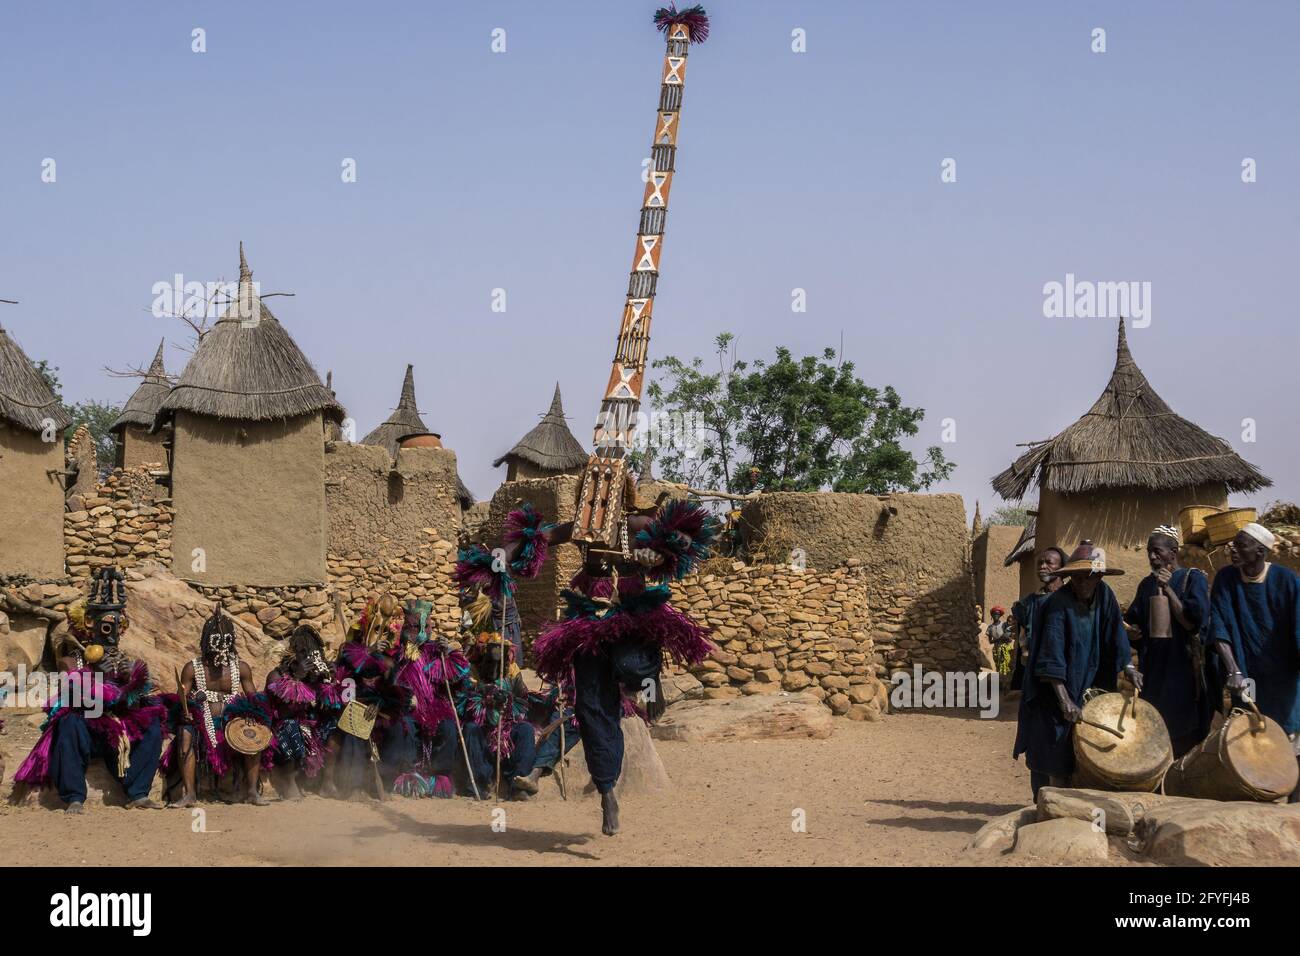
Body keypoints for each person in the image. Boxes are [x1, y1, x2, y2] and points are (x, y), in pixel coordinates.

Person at [507, 479, 717, 835]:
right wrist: (503, 556)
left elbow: (684, 541)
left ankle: (649, 684)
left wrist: (662, 551)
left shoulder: (636, 525)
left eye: (607, 494)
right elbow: (536, 538)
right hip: (588, 624)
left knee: (633, 665)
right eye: (593, 494)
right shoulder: (580, 529)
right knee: (591, 710)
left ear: (621, 496)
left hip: (630, 621)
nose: (599, 499)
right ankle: (607, 793)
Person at [10, 567, 165, 812]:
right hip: (88, 728)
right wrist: (100, 673)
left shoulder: (127, 661)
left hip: (120, 728)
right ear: (91, 625)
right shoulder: (71, 662)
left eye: (116, 625)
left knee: (154, 724)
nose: (110, 631)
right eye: (105, 625)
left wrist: (131, 677)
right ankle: (74, 797)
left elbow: (142, 697)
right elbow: (78, 697)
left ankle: (137, 793)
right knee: (68, 723)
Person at [1012, 540, 1141, 799]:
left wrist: (1128, 666)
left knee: (1089, 753)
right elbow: (1051, 657)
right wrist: (1065, 701)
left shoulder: (1105, 596)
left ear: (1099, 576)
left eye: (1089, 577)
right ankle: (1047, 808)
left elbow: (1116, 636)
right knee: (1053, 755)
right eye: (1077, 578)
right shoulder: (1057, 605)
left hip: (1089, 689)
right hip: (1054, 692)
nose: (1083, 583)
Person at [1207, 522, 1300, 801]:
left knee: (1289, 737)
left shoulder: (1286, 581)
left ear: (1260, 551)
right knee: (1250, 735)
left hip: (1284, 678)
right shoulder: (1225, 579)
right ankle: (1257, 799)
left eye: (1241, 544)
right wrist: (1233, 669)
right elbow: (1220, 626)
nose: (1232, 549)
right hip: (1247, 674)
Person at [169, 606, 273, 806]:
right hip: (201, 722)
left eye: (225, 641)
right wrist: (186, 712)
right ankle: (190, 794)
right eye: (215, 641)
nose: (219, 648)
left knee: (253, 730)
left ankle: (252, 791)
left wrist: (252, 714)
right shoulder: (192, 668)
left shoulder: (241, 668)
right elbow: (180, 698)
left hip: (233, 722)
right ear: (206, 641)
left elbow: (253, 699)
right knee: (184, 733)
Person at [1124, 525, 1211, 757]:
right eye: (1149, 552)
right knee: (1155, 732)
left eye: (1157, 551)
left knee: (1183, 735)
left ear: (1173, 553)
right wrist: (1132, 632)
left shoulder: (1192, 579)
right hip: (1154, 672)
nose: (1152, 557)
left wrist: (1168, 589)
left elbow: (1193, 624)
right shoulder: (1146, 585)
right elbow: (1134, 622)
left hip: (1182, 672)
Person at [265, 623, 345, 799]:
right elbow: (282, 709)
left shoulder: (315, 677)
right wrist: (297, 678)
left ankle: (327, 781)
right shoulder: (276, 675)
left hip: (309, 725)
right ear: (294, 657)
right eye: (305, 656)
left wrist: (331, 682)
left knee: (334, 724)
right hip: (282, 726)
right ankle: (289, 782)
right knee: (291, 726)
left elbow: (330, 705)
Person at [1008, 547, 1067, 691]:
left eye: (1049, 563)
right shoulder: (1028, 603)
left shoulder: (1071, 599)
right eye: (1039, 563)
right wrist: (1025, 650)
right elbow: (1023, 631)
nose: (1042, 567)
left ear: (1062, 568)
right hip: (1036, 665)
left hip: (1064, 664)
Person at [986, 607, 1012, 680]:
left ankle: (1006, 681)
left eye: (997, 614)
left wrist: (1006, 638)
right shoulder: (990, 628)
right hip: (996, 648)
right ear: (992, 616)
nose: (996, 616)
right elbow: (990, 641)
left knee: (1006, 664)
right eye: (994, 614)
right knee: (998, 665)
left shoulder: (1004, 625)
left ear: (1000, 615)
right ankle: (1001, 682)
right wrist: (999, 639)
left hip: (1005, 647)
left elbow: (1008, 635)